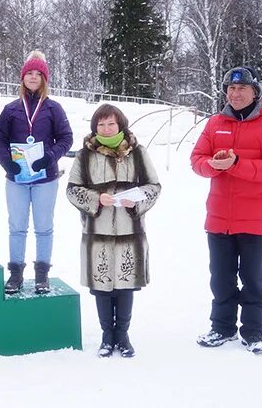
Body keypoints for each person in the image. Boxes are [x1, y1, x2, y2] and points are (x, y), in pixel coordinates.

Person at [190, 66, 262, 355]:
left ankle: (254, 331)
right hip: (220, 216)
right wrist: (212, 165)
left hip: (257, 215)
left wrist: (235, 165)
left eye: (241, 88)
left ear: (255, 92)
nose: (235, 94)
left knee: (253, 277)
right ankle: (221, 327)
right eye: (231, 89)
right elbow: (197, 159)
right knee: (220, 277)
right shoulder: (215, 123)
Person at [66, 104, 161, 358]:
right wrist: (97, 199)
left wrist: (138, 201)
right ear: (94, 128)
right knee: (102, 284)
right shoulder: (84, 156)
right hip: (97, 232)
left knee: (125, 284)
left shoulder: (138, 152)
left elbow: (154, 186)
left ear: (121, 125)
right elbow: (72, 190)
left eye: (111, 124)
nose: (106, 129)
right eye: (101, 125)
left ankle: (123, 335)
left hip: (130, 231)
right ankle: (107, 336)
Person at [0, 51, 73, 294]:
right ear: (22, 77)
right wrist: (7, 162)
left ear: (45, 79)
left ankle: (42, 275)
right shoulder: (11, 109)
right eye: (29, 73)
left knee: (44, 227)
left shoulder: (53, 108)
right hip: (17, 178)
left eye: (38, 74)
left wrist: (49, 157)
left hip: (44, 179)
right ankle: (15, 273)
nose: (33, 77)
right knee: (17, 226)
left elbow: (66, 138)